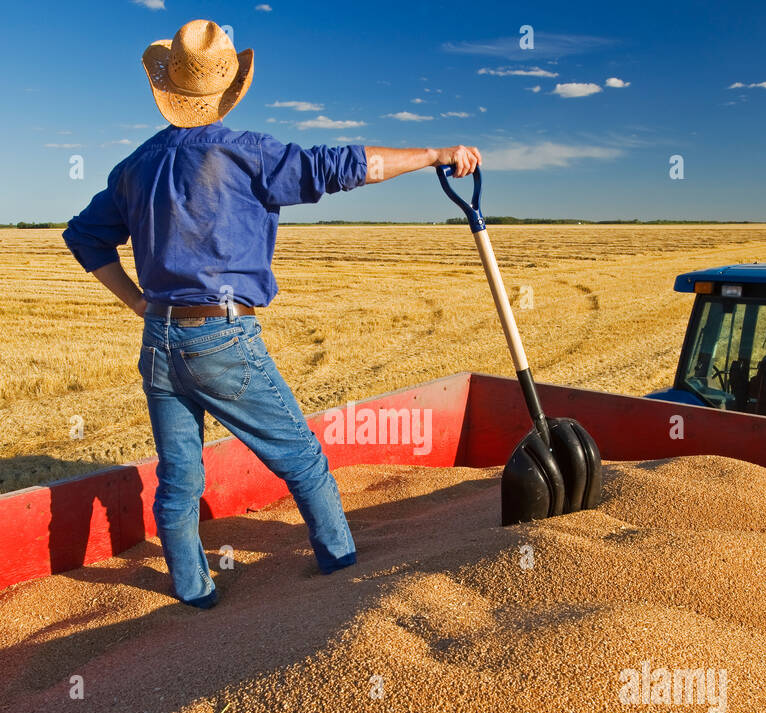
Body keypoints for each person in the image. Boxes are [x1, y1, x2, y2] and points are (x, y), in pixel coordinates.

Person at [63, 19, 481, 608]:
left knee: (180, 476)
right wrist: (436, 153)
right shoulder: (246, 152)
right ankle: (344, 576)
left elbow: (83, 238)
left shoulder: (135, 167)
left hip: (159, 340)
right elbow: (348, 166)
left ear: (170, 91)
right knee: (302, 458)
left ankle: (194, 595)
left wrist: (138, 302)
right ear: (227, 88)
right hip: (222, 339)